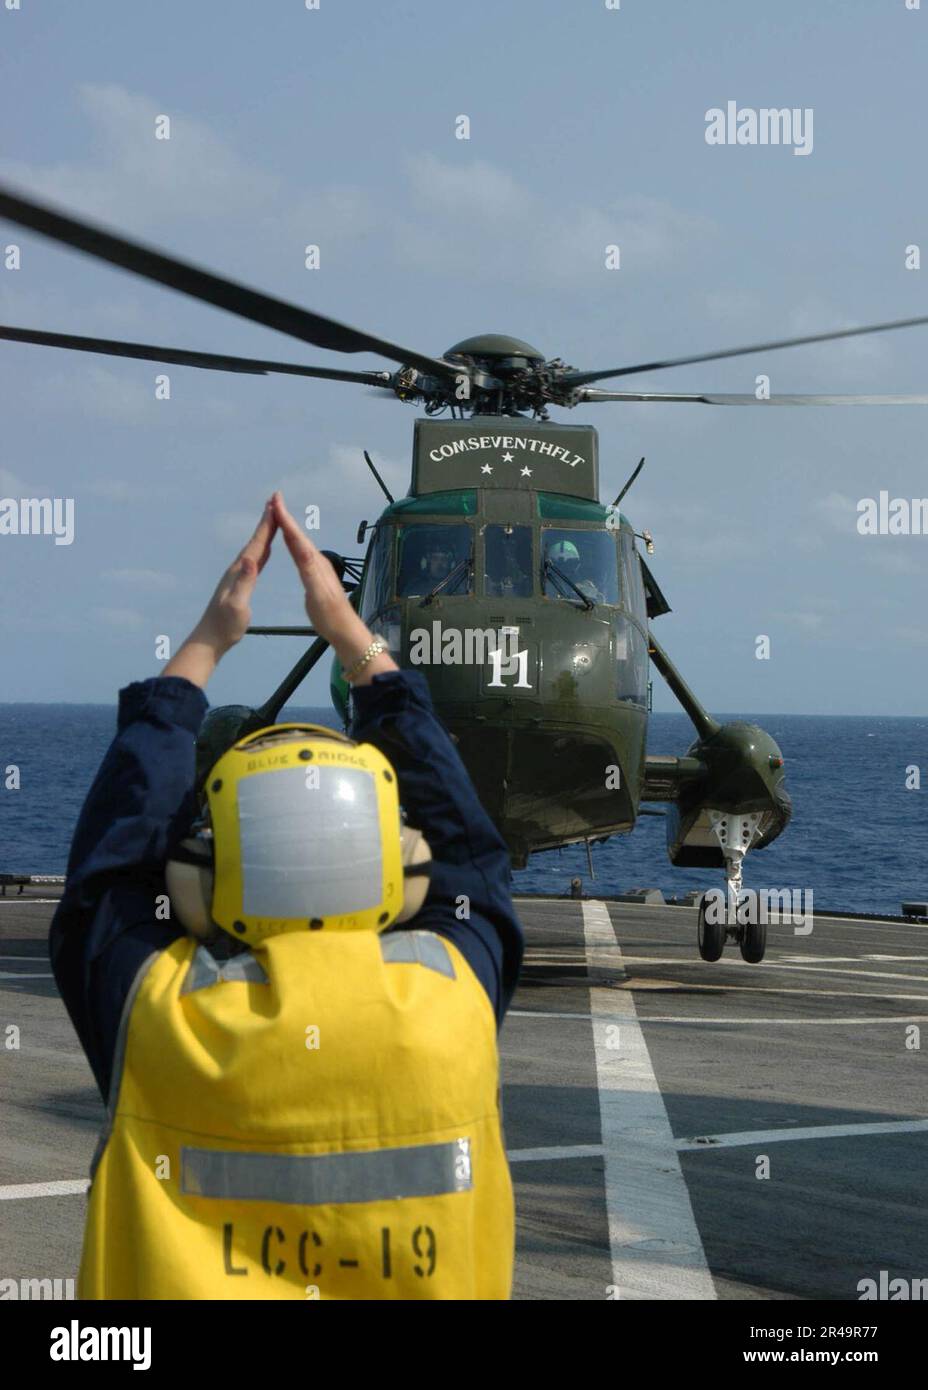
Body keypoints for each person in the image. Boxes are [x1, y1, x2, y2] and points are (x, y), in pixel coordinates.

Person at [50, 491, 523, 1300]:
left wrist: (203, 645)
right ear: (394, 860)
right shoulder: (452, 1004)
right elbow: (476, 861)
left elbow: (112, 863)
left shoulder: (158, 1014)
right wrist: (357, 641)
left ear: (208, 872)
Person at [545, 538, 605, 604]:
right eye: (560, 564)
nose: (565, 569)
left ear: (578, 564)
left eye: (570, 563)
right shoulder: (545, 586)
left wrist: (591, 594)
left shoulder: (587, 587)